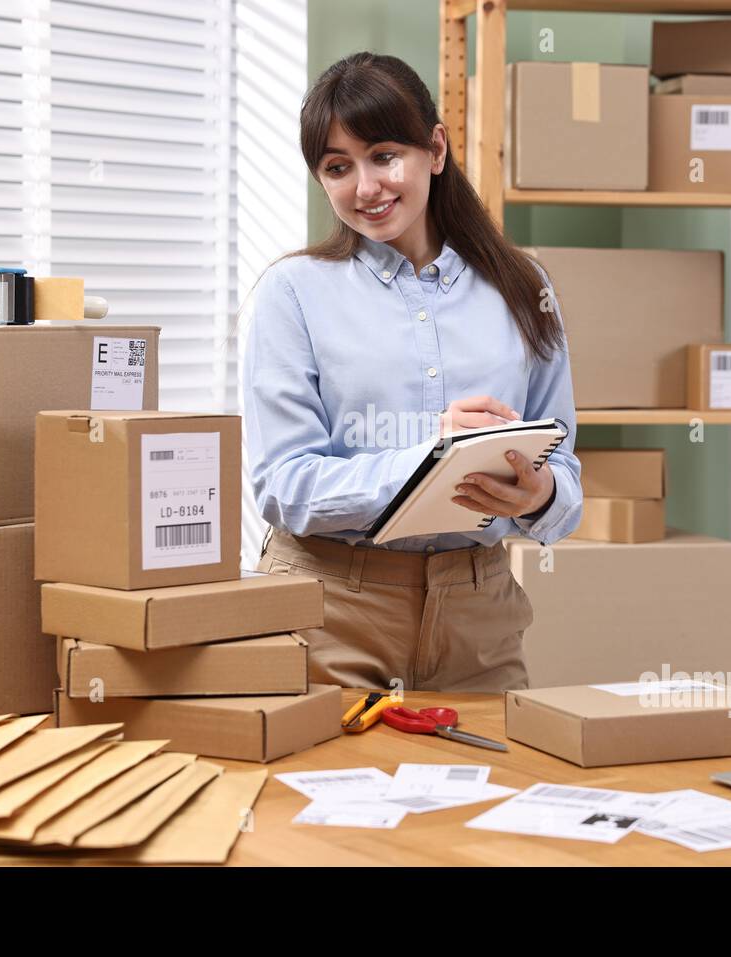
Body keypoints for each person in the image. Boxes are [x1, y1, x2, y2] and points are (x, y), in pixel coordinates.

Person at [240, 52, 581, 693]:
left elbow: (564, 471)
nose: (366, 187)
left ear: (436, 149)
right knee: (325, 793)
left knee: (497, 791)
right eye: (338, 168)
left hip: (480, 611)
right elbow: (283, 486)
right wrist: (430, 457)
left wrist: (539, 496)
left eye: (384, 155)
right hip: (330, 606)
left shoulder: (523, 288)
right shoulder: (292, 294)